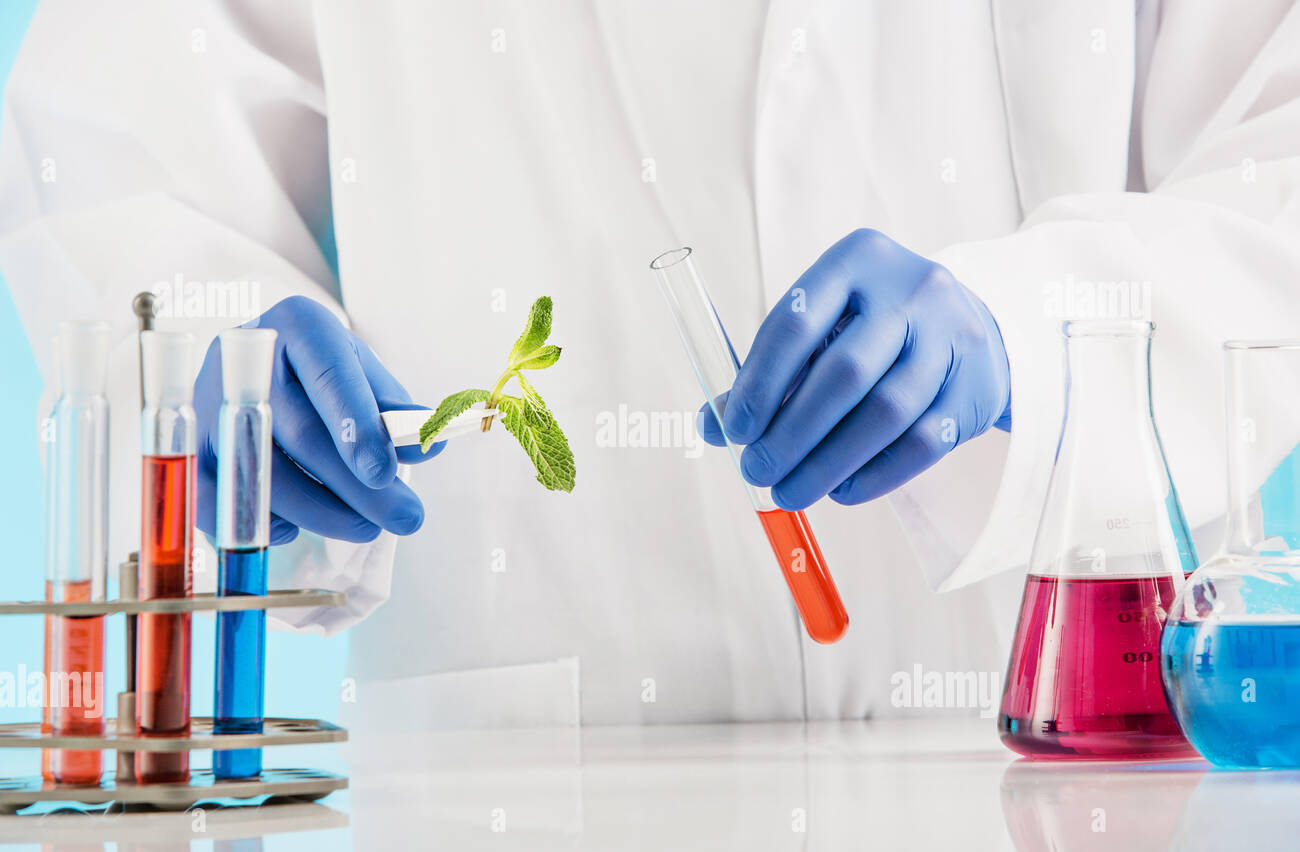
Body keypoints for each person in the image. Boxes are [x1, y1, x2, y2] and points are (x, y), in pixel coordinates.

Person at [2, 0, 1299, 727]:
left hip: (1065, 751)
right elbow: (116, 132)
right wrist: (212, 339)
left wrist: (1025, 334)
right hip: (538, 766)